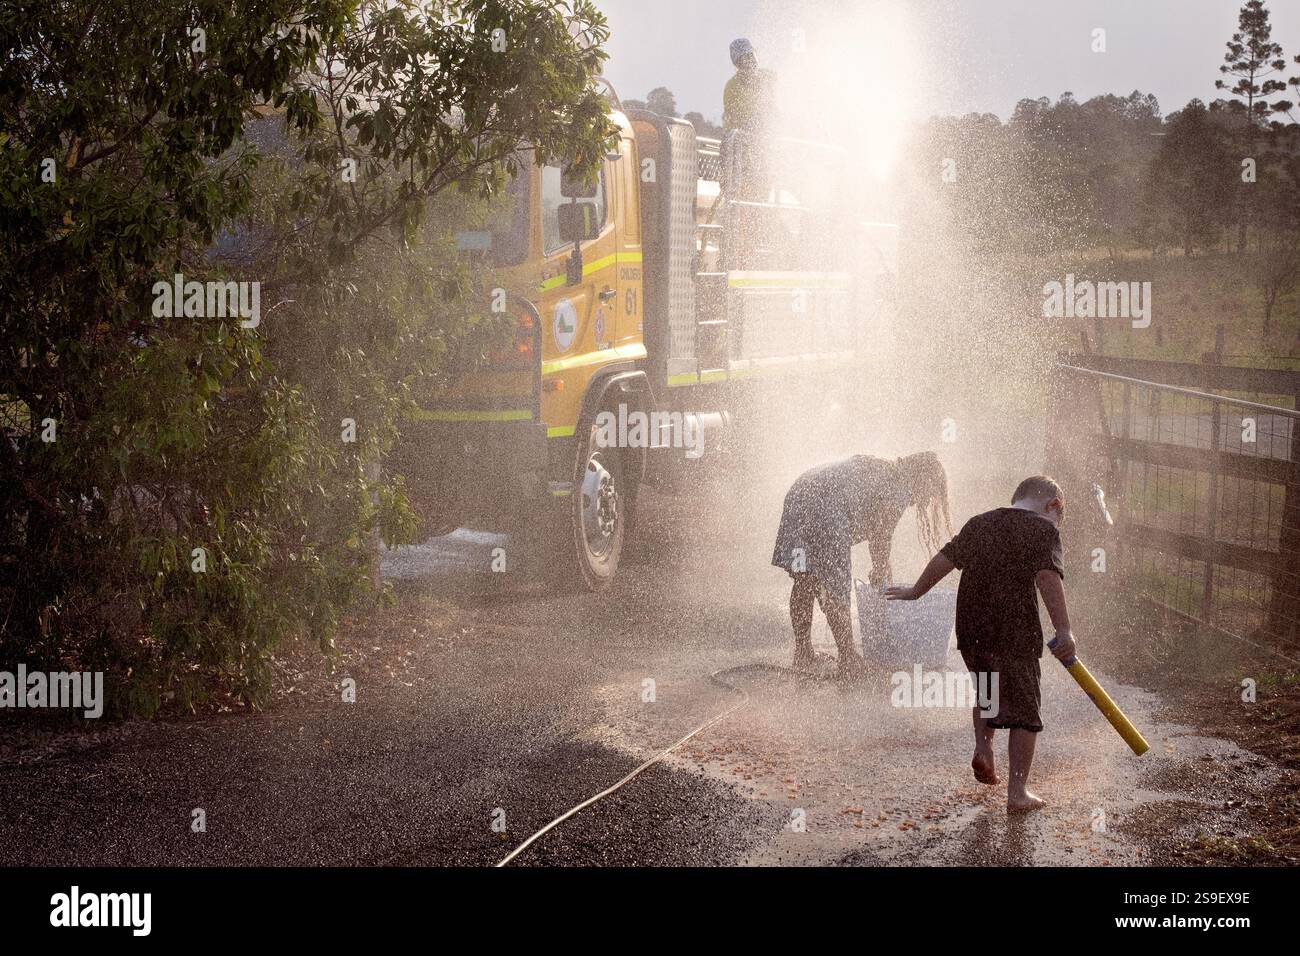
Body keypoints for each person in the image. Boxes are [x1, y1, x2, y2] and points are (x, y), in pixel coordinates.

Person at [885, 475, 1078, 813]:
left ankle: (982, 748)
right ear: (1053, 505)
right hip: (1015, 631)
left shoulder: (980, 523)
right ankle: (1018, 792)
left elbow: (944, 559)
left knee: (987, 689)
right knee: (1024, 711)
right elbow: (1048, 578)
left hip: (972, 629)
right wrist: (1064, 631)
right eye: (1058, 516)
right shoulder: (1044, 530)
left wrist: (916, 591)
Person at [772, 452, 953, 681]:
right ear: (922, 478)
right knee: (834, 585)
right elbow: (881, 536)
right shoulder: (898, 486)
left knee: (806, 578)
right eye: (929, 492)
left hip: (801, 492)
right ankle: (848, 659)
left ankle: (803, 652)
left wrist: (881, 566)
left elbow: (877, 530)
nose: (926, 501)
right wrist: (879, 572)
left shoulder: (885, 470)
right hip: (826, 505)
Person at [722, 38, 777, 134]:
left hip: (770, 131)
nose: (751, 61)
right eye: (745, 58)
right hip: (742, 136)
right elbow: (733, 117)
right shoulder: (732, 86)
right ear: (738, 63)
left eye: (752, 56)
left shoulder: (768, 76)